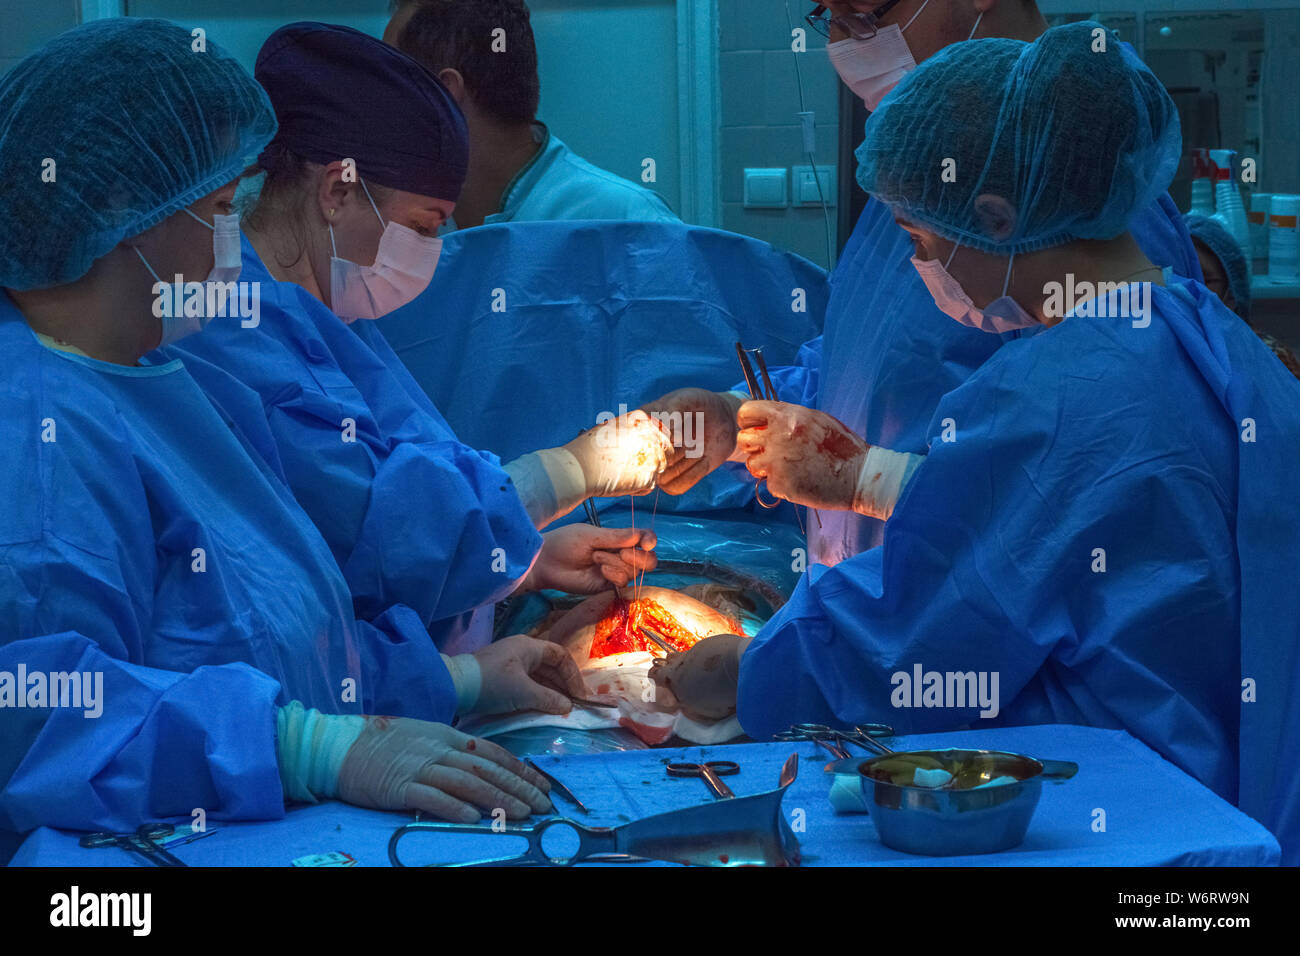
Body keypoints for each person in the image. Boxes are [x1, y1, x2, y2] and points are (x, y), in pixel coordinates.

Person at [652, 22, 1300, 862]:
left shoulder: (1055, 394)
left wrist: (742, 669)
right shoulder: (1222, 346)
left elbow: (924, 628)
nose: (923, 269)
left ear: (993, 218)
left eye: (921, 244)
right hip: (1228, 807)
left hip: (1121, 811)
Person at [0, 19, 601, 854]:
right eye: (217, 210)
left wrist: (456, 679)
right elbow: (41, 723)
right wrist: (307, 748)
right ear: (119, 214)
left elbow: (275, 619)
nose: (232, 242)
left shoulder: (169, 380)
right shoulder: (37, 439)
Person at [164, 22, 671, 655]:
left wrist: (518, 567)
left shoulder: (332, 318)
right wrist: (576, 467)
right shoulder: (232, 335)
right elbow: (382, 538)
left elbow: (403, 502)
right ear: (337, 190)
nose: (431, 251)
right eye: (424, 227)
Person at [644, 0, 1203, 569]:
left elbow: (1080, 511)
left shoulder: (1079, 192)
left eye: (864, 12)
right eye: (826, 14)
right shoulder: (928, 175)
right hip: (878, 616)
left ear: (999, 218)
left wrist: (869, 480)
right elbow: (861, 368)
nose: (839, 39)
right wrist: (735, 415)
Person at [384, 0, 679, 230]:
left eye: (391, 83)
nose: (380, 105)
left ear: (443, 94)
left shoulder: (630, 226)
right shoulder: (409, 229)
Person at [1184, 212, 1300, 379]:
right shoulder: (1166, 351)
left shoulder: (1269, 356)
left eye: (1203, 278)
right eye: (1180, 275)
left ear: (1231, 293)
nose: (1187, 287)